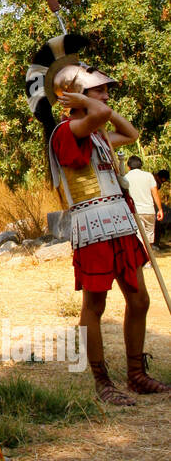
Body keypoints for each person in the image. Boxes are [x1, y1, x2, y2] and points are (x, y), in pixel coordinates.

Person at [48, 66, 170, 402]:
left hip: (120, 223)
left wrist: (95, 104)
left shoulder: (98, 135)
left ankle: (136, 374)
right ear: (78, 97)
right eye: (99, 90)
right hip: (93, 225)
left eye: (106, 90)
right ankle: (103, 382)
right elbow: (100, 114)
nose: (106, 96)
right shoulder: (66, 131)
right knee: (95, 304)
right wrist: (83, 101)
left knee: (139, 299)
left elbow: (130, 135)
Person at [123, 155, 163, 246]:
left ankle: (146, 259)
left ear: (128, 167)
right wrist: (160, 209)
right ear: (141, 165)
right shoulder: (148, 176)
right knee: (149, 238)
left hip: (136, 212)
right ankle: (150, 258)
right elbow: (155, 193)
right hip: (149, 211)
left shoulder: (126, 177)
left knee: (140, 239)